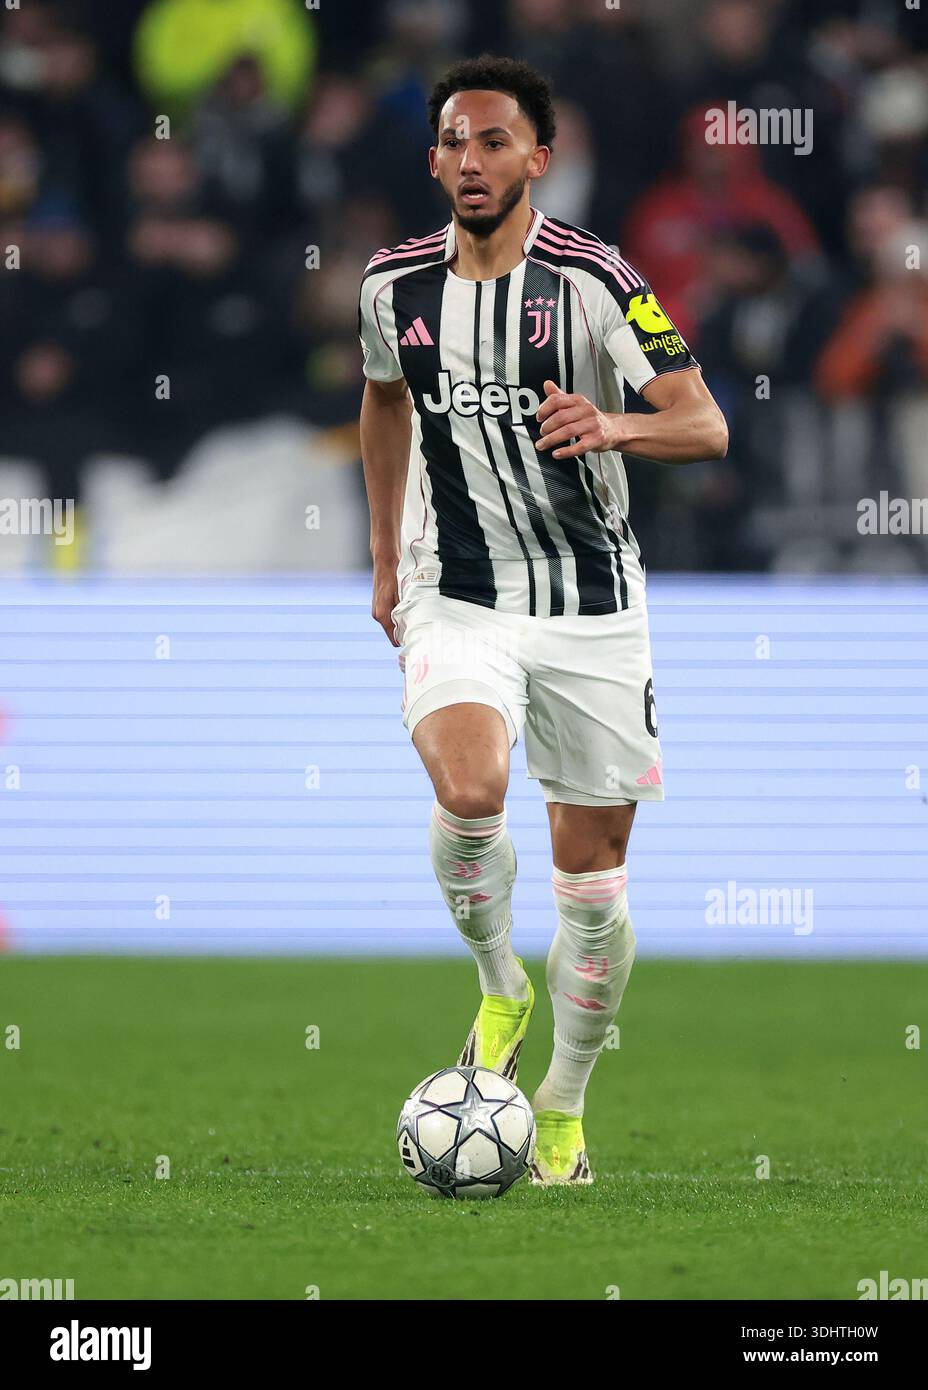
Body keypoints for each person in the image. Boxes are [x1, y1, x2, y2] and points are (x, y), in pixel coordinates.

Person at [357, 55, 728, 1185]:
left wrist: (612, 428)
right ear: (435, 160)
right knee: (468, 789)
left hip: (591, 609)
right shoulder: (391, 287)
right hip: (458, 586)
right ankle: (498, 981)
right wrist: (383, 556)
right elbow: (380, 399)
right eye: (455, 144)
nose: (472, 162)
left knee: (594, 888)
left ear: (539, 159)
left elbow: (704, 424)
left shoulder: (598, 280)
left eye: (495, 142)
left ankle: (560, 1105)